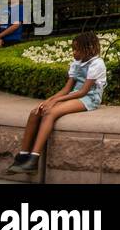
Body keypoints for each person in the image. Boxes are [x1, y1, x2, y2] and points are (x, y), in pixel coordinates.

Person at [9, 32, 107, 174]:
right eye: (73, 49)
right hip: (74, 95)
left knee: (51, 112)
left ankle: (34, 159)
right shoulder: (76, 64)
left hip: (89, 98)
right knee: (36, 111)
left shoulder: (97, 64)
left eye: (77, 49)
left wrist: (55, 102)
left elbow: (83, 92)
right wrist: (48, 101)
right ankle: (23, 156)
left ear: (88, 49)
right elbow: (67, 89)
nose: (73, 52)